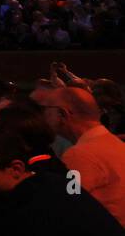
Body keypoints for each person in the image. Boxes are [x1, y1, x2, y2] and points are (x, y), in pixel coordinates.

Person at [32, 84, 125, 227]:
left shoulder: (80, 155)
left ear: (62, 114)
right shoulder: (114, 143)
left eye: (44, 110)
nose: (42, 116)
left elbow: (67, 204)